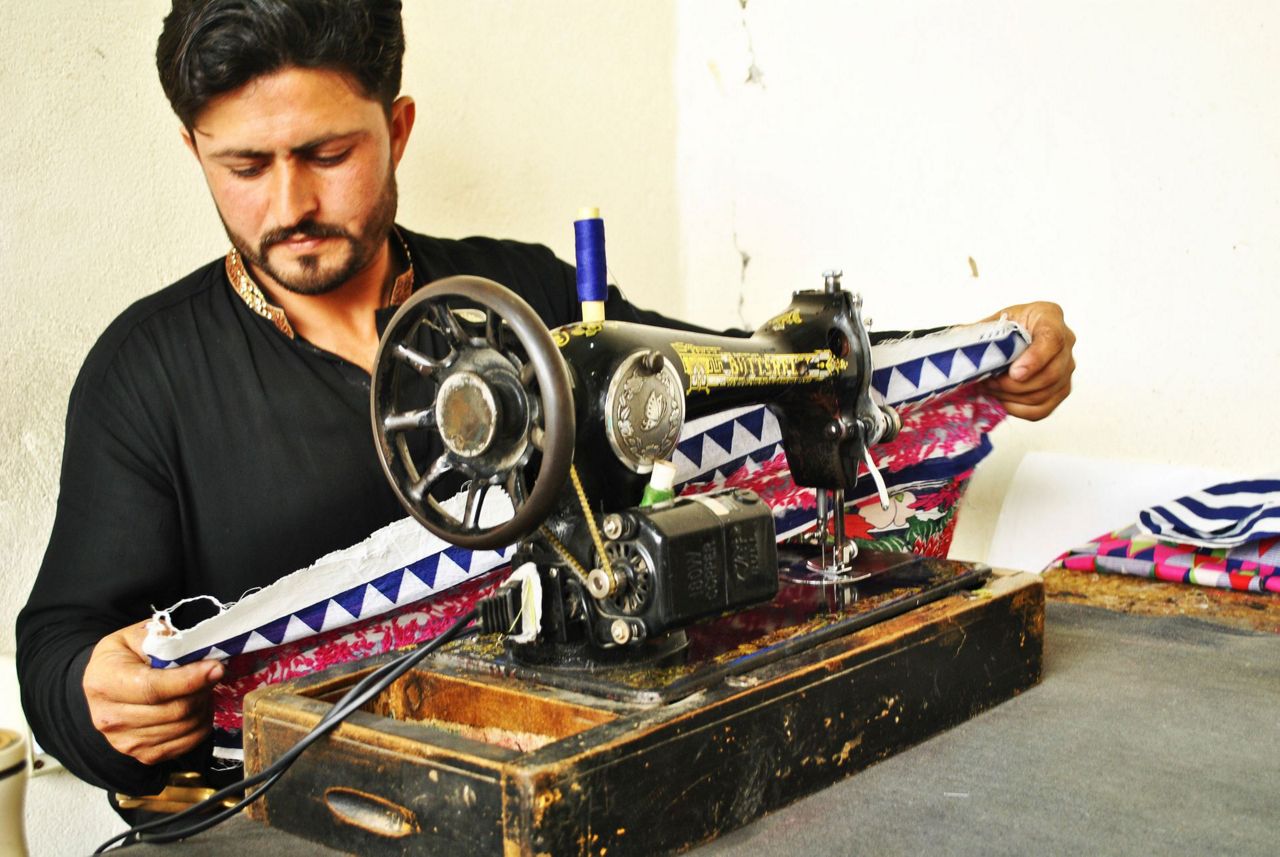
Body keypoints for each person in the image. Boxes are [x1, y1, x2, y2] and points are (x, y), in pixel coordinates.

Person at [16, 0, 1076, 806]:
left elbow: (739, 376)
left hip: (573, 771)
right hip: (324, 810)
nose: (288, 204)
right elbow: (61, 640)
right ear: (192, 150)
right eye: (243, 165)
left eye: (326, 154)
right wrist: (89, 693)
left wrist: (963, 354)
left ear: (398, 127)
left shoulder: (527, 298)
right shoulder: (146, 374)